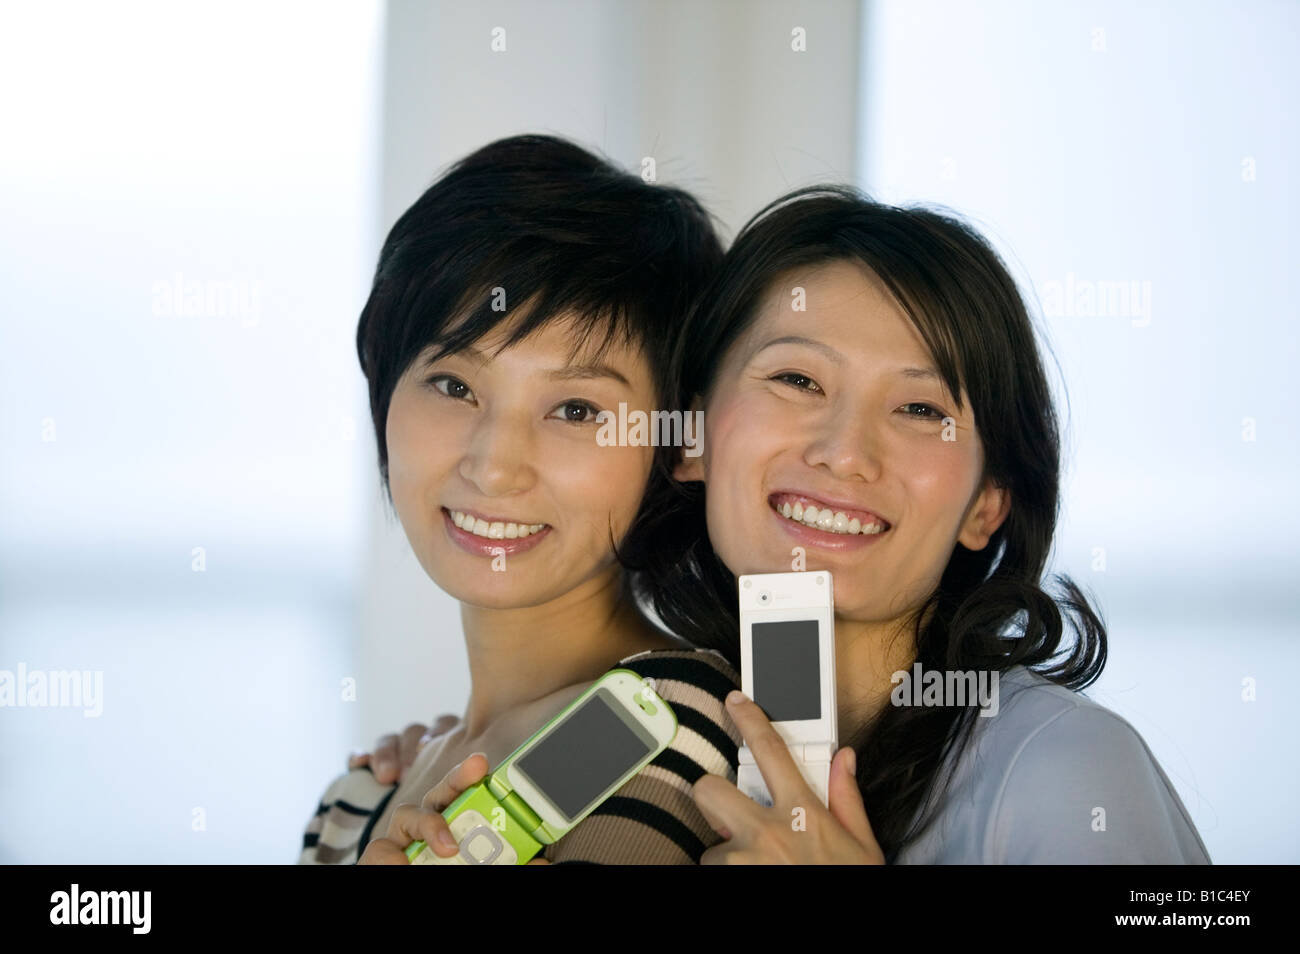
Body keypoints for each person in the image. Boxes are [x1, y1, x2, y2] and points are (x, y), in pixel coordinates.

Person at [642, 185, 1212, 863]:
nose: (846, 453)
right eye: (798, 380)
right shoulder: (645, 745)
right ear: (691, 437)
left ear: (986, 505)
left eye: (920, 410)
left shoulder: (1067, 764)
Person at [298, 133, 741, 866]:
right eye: (454, 386)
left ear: (678, 443)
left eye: (575, 410)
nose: (494, 467)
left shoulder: (650, 722)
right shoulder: (356, 801)